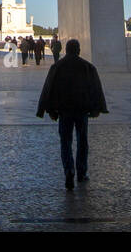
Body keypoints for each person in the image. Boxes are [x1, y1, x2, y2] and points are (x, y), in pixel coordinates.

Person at [36, 39, 108, 190]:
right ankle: (81, 172)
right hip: (82, 110)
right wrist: (97, 108)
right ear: (78, 50)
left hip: (65, 111)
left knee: (65, 142)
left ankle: (69, 170)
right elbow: (96, 89)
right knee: (82, 142)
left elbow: (49, 89)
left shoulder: (57, 67)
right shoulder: (87, 67)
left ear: (66, 50)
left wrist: (49, 110)